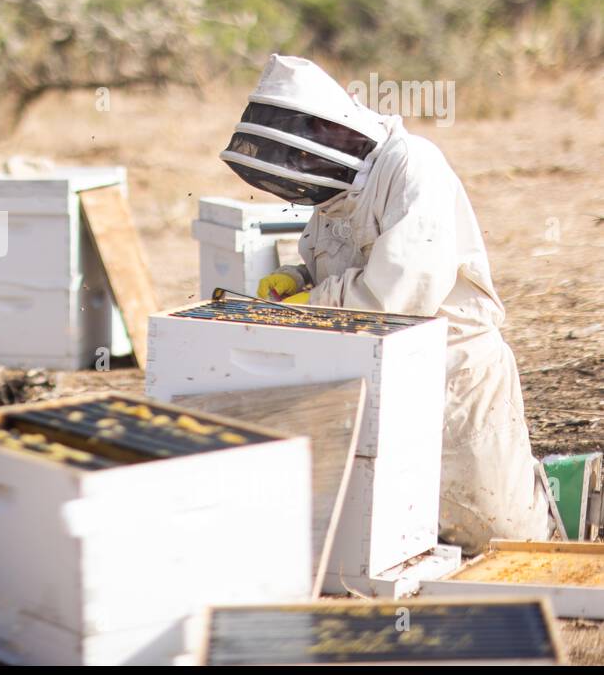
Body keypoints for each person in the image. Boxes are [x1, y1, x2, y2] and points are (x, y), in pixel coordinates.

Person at [219, 54, 554, 553]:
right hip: (376, 368)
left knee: (501, 535)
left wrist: (312, 303)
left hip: (454, 372)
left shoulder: (412, 165)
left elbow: (400, 293)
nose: (303, 170)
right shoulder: (336, 185)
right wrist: (297, 277)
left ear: (325, 129)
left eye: (304, 155)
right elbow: (333, 262)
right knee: (401, 536)